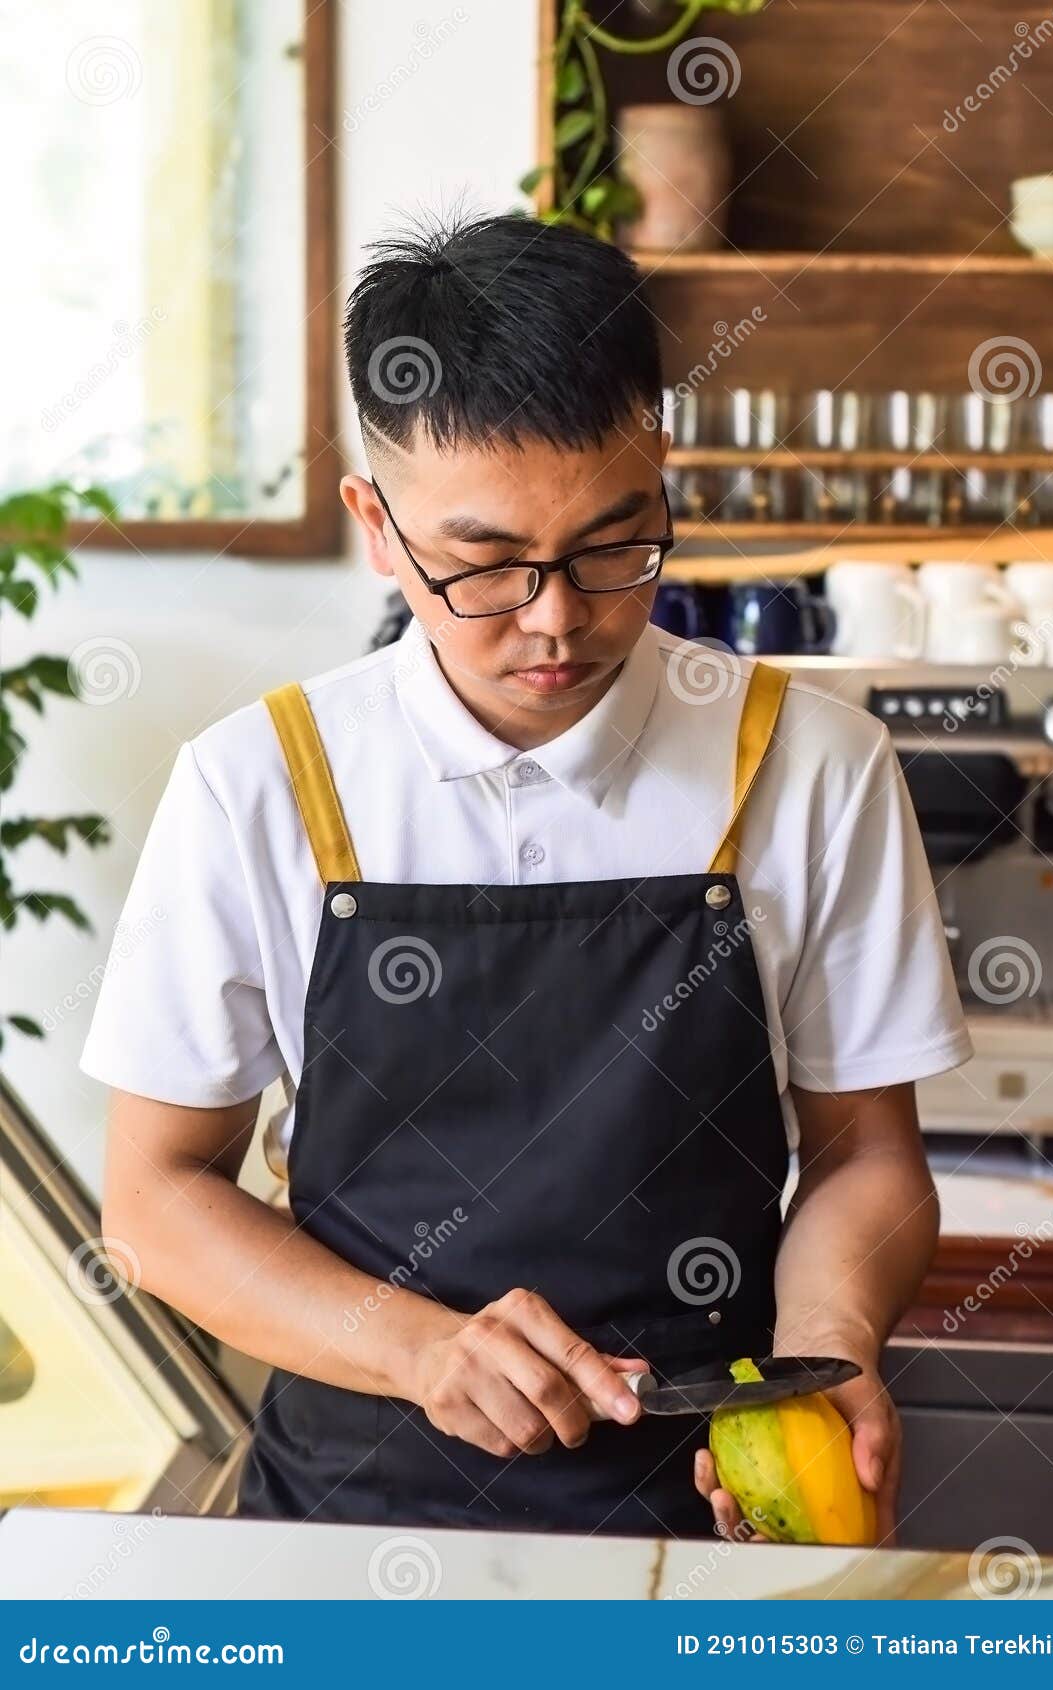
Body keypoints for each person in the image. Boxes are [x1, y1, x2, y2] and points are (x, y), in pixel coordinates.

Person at [81, 211, 973, 1541]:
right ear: (376, 527)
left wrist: (822, 1349)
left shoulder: (808, 762)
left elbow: (865, 1159)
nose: (555, 618)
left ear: (660, 475)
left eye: (612, 546)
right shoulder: (263, 783)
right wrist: (421, 1349)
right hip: (351, 1522)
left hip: (709, 1515)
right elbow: (154, 1201)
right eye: (487, 563)